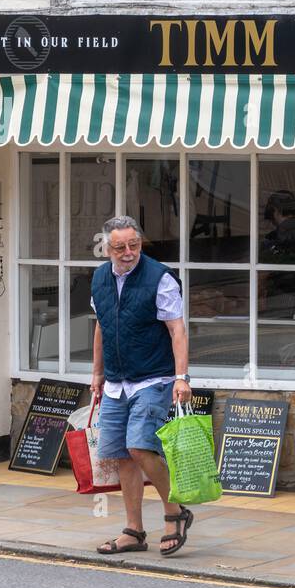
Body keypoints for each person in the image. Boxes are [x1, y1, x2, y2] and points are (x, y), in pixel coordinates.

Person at [90, 215, 194, 556]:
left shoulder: (160, 278)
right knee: (122, 455)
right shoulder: (100, 278)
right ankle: (134, 530)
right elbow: (102, 327)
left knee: (140, 447)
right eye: (120, 247)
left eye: (134, 245)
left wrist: (181, 378)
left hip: (153, 377)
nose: (128, 252)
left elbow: (177, 329)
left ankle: (174, 513)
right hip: (116, 382)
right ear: (107, 248)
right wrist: (97, 374)